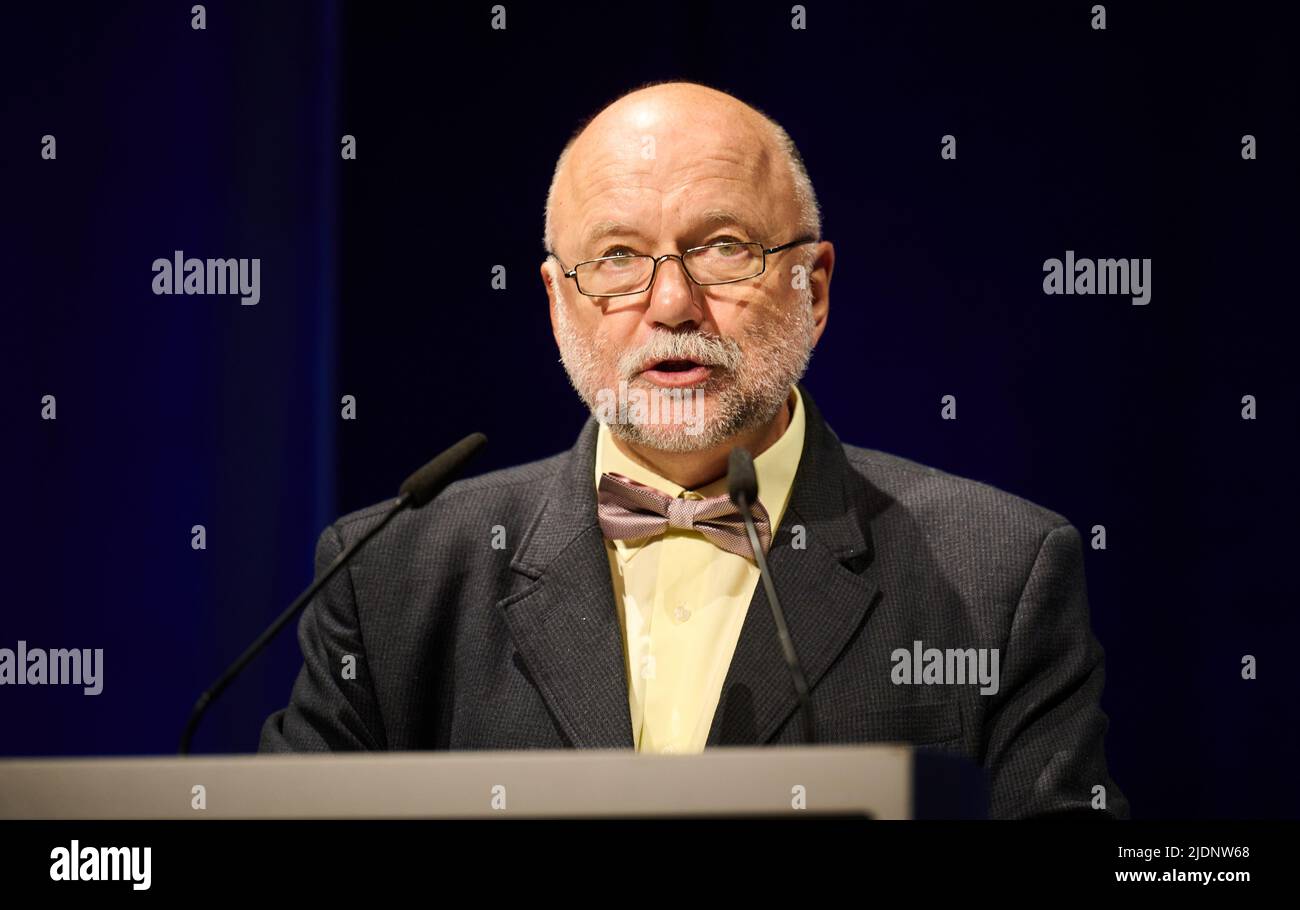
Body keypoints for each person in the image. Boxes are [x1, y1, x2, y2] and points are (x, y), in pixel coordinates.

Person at [260, 80, 1129, 819]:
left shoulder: (997, 574)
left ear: (813, 288)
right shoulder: (391, 578)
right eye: (617, 258)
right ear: (559, 305)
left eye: (724, 249)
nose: (671, 302)